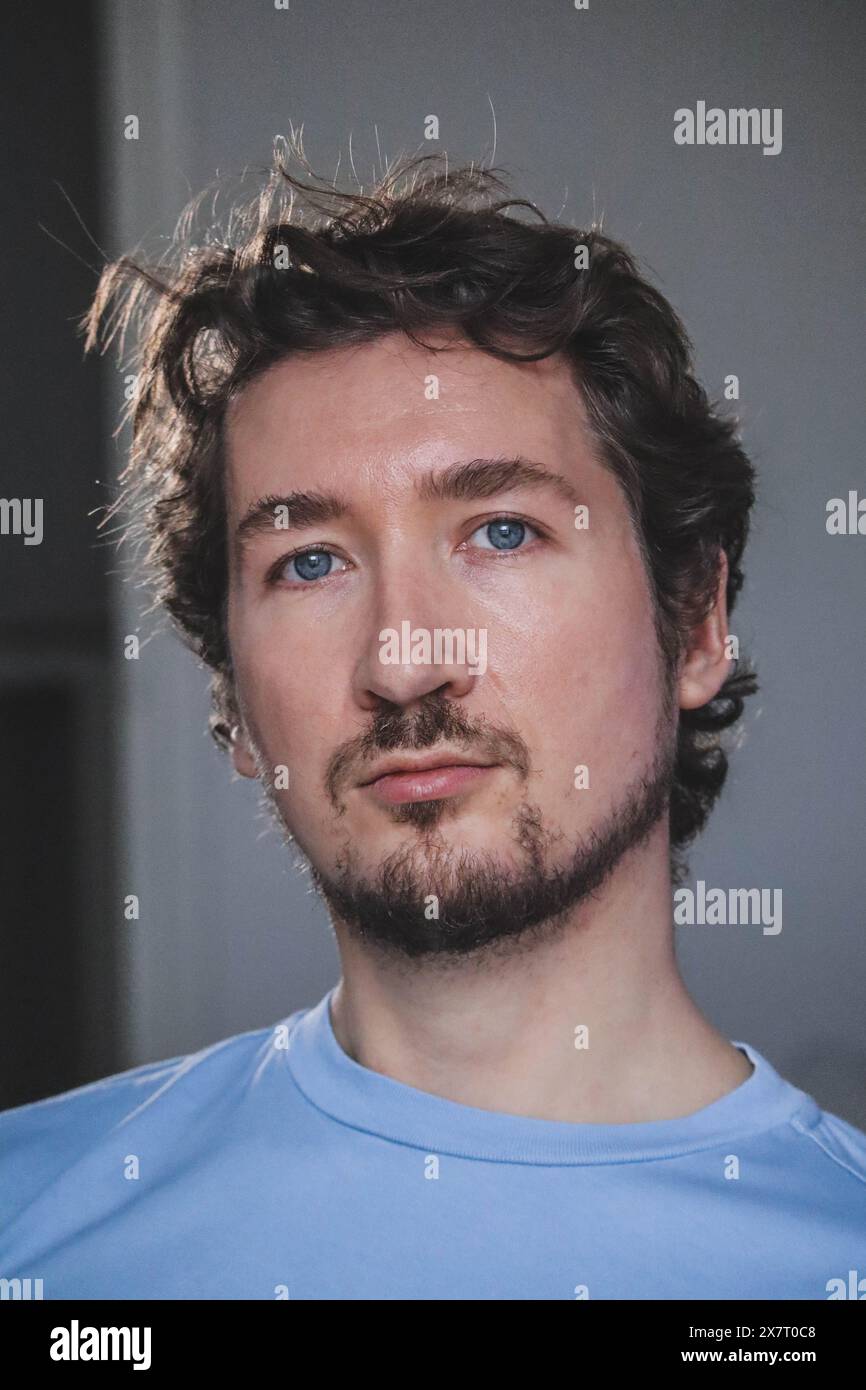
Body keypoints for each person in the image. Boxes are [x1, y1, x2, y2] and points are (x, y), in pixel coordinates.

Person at [1, 143, 864, 1300]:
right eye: (308, 561)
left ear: (695, 620)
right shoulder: (31, 1229)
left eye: (502, 531)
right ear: (231, 700)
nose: (404, 662)